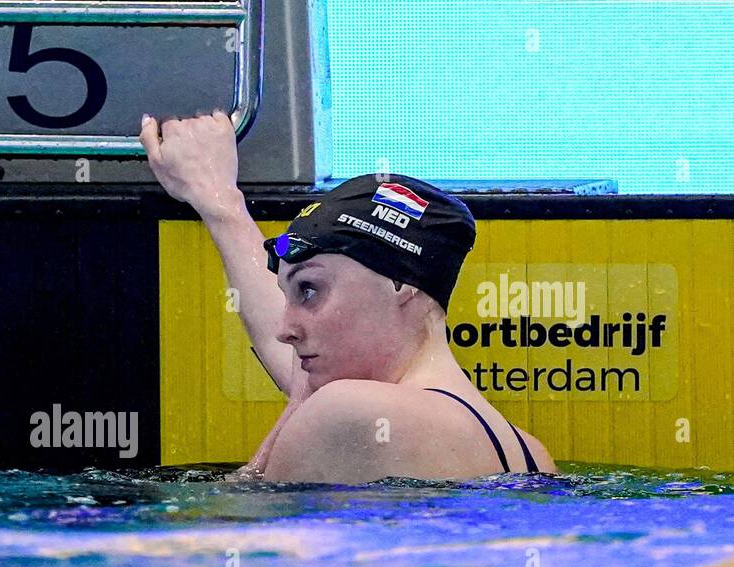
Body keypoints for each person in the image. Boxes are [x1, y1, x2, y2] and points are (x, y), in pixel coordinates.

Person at [138, 110, 556, 483]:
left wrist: (263, 458)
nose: (285, 329)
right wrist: (219, 200)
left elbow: (241, 545)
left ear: (401, 283)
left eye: (309, 291)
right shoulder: (527, 454)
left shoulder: (348, 412)